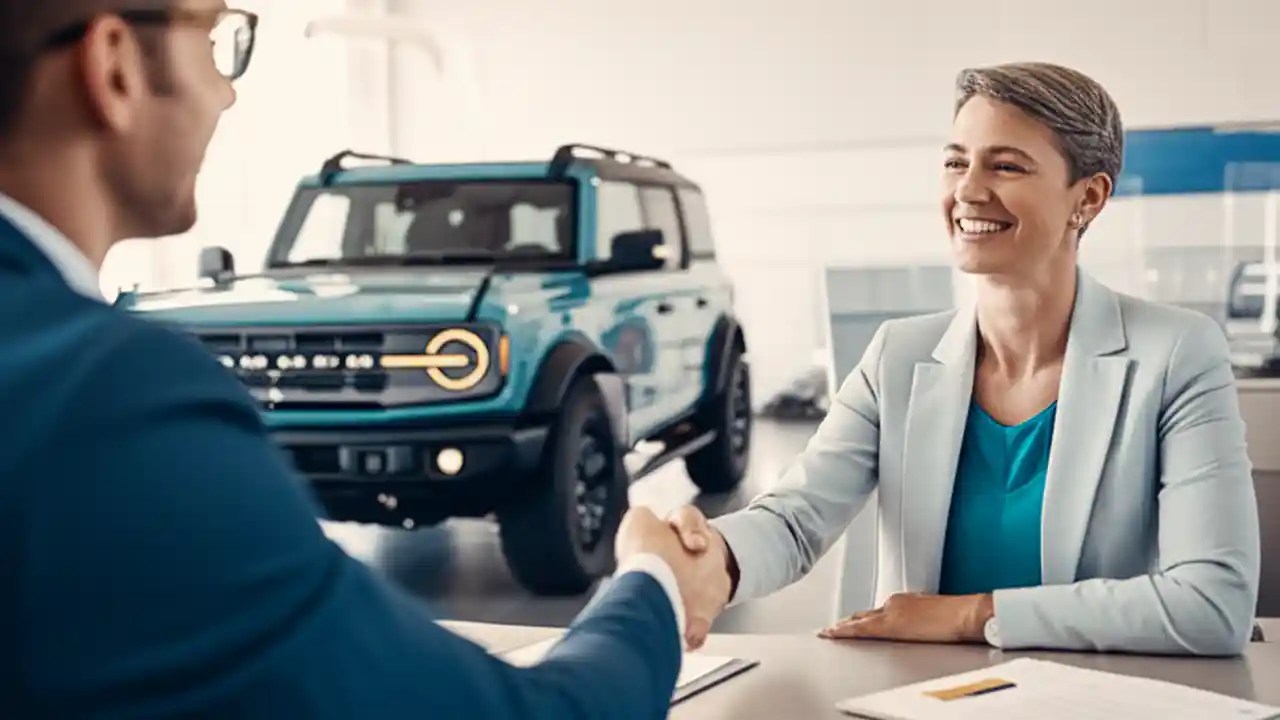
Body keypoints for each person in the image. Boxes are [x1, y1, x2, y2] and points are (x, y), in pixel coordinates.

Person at [0, 1, 728, 717]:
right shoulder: (117, 395)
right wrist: (653, 579)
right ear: (116, 66)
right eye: (216, 36)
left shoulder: (70, 367)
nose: (227, 91)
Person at [667, 61, 1262, 656]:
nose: (968, 190)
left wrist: (970, 615)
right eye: (956, 163)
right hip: (915, 694)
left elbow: (1211, 604)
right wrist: (716, 556)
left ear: (1088, 197)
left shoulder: (1176, 354)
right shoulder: (898, 356)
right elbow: (795, 519)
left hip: (1097, 693)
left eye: (1006, 166)